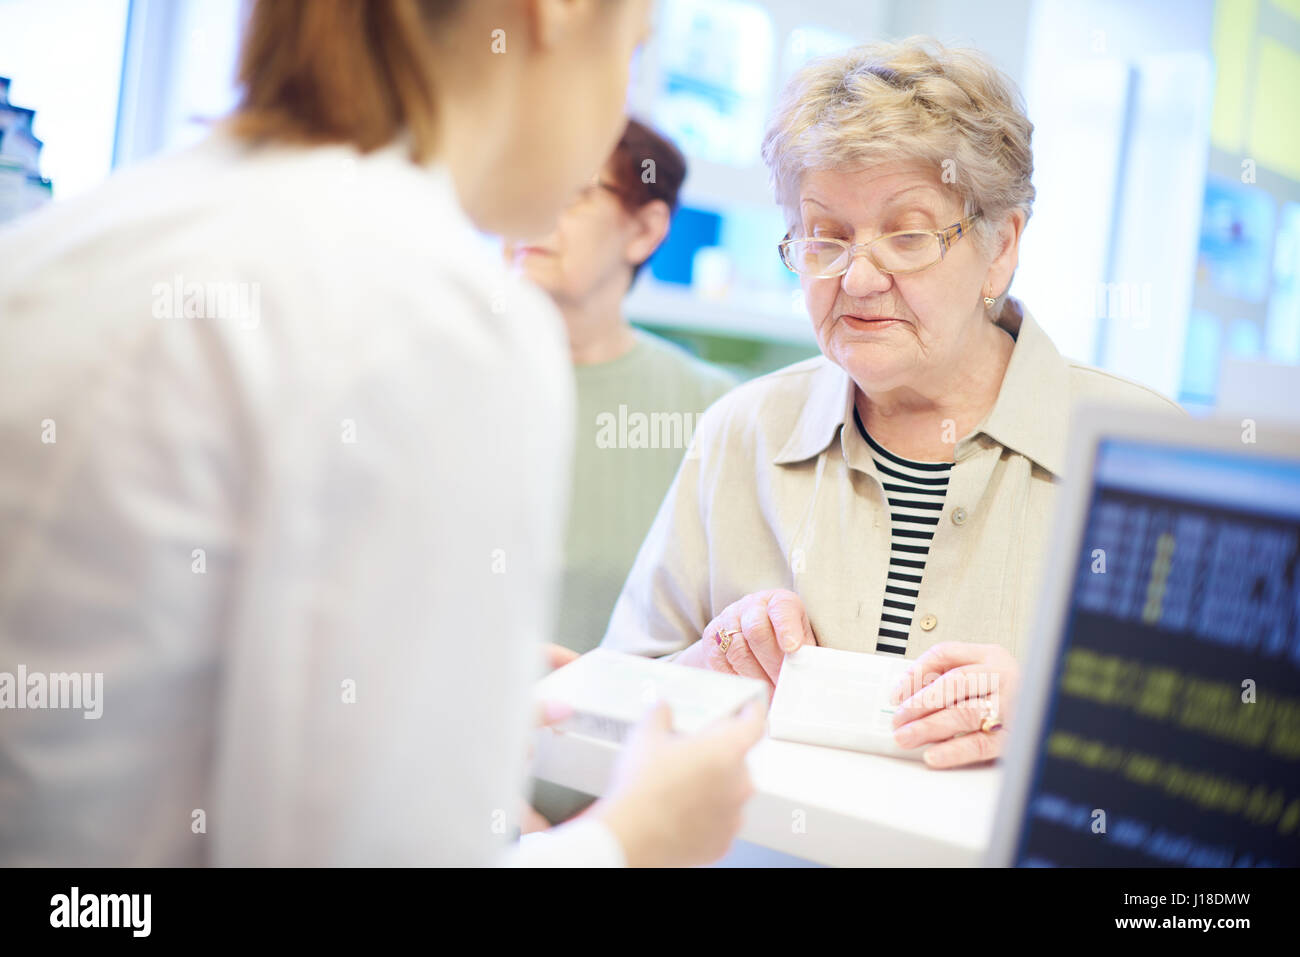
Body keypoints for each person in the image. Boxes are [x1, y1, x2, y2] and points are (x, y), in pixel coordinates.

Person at [0, 0, 763, 868]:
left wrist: (416, 696)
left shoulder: (91, 235)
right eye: (631, 46)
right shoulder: (427, 309)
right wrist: (637, 837)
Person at [600, 37, 1186, 769]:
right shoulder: (743, 431)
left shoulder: (1146, 450)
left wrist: (1057, 716)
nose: (859, 278)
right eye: (825, 237)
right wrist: (705, 669)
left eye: (907, 235)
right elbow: (610, 706)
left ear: (1000, 246)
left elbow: (1224, 761)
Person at [506, 118, 736, 826]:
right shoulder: (437, 379)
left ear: (645, 230)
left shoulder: (715, 411)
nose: (530, 209)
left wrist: (614, 827)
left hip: (637, 819)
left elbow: (719, 653)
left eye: (571, 191)